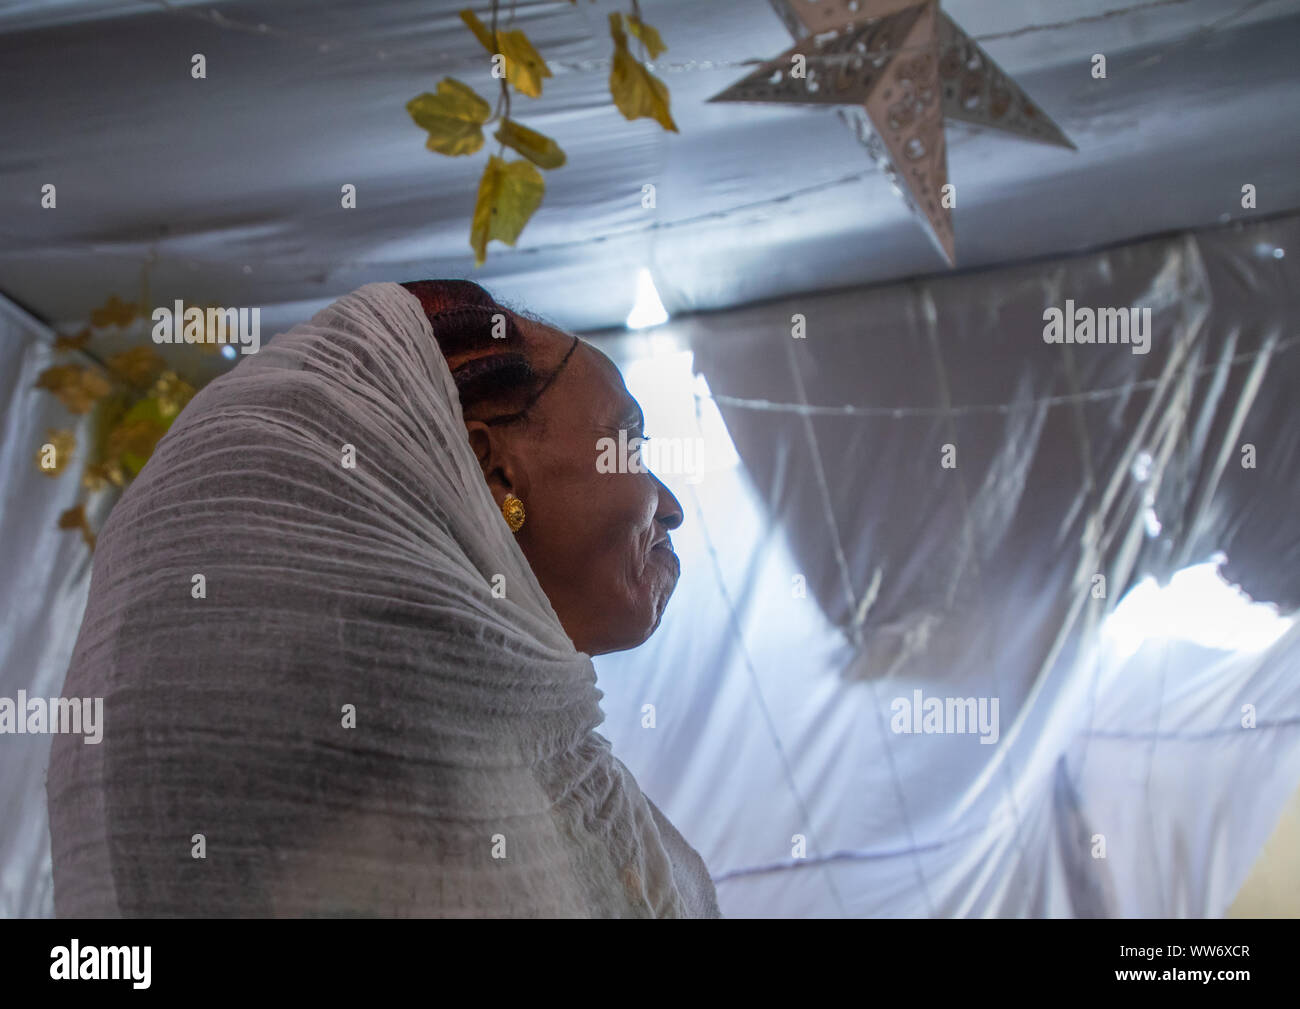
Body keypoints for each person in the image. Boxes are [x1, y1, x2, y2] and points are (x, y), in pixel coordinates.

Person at [46, 280, 721, 918]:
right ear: (493, 474)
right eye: (627, 444)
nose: (671, 505)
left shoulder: (534, 789)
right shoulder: (431, 838)